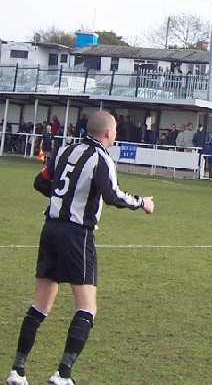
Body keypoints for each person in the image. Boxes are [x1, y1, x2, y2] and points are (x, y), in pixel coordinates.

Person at [6, 111, 154, 385]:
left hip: (50, 229)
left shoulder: (65, 150)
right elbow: (112, 196)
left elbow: (41, 181)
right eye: (116, 132)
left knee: (40, 304)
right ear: (108, 133)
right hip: (77, 235)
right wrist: (141, 202)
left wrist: (63, 197)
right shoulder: (102, 159)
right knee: (87, 307)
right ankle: (63, 374)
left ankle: (18, 370)